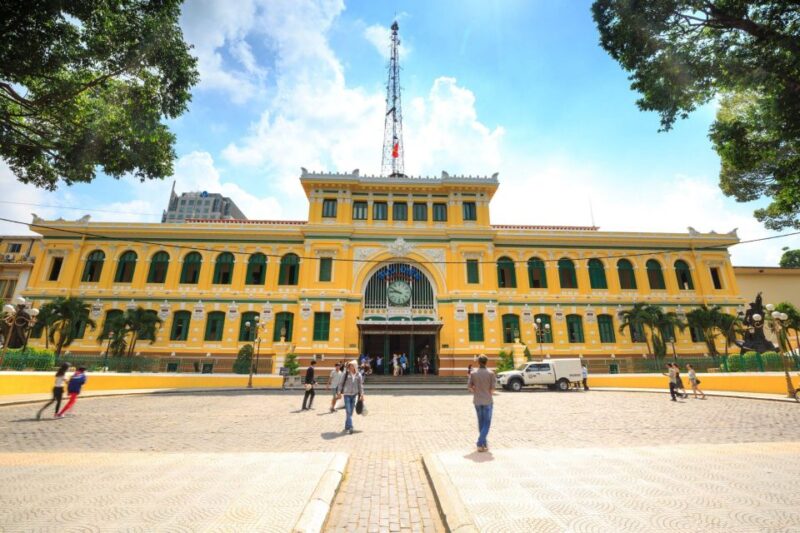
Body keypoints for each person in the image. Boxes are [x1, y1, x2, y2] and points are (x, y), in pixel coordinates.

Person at [468, 355, 495, 452]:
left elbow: (470, 387)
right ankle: (480, 442)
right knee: (486, 423)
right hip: (488, 401)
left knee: (481, 422)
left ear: (478, 362)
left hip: (477, 401)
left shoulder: (473, 373)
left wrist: (476, 390)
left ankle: (484, 443)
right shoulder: (491, 373)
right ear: (486, 362)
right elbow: (492, 390)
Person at [337, 360, 364, 434]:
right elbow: (340, 383)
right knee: (348, 411)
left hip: (354, 395)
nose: (350, 367)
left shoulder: (359, 375)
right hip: (347, 395)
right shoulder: (345, 374)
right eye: (349, 366)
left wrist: (362, 394)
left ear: (355, 366)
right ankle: (351, 427)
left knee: (350, 412)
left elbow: (360, 385)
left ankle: (346, 426)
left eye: (351, 365)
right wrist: (339, 392)